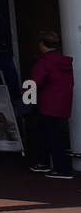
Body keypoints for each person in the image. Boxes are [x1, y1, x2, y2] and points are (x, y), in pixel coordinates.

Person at [27, 30, 74, 179]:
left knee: (46, 135)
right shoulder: (64, 62)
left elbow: (35, 82)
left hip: (46, 103)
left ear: (42, 44)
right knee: (54, 134)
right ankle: (52, 165)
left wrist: (25, 96)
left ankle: (60, 168)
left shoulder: (44, 62)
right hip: (62, 103)